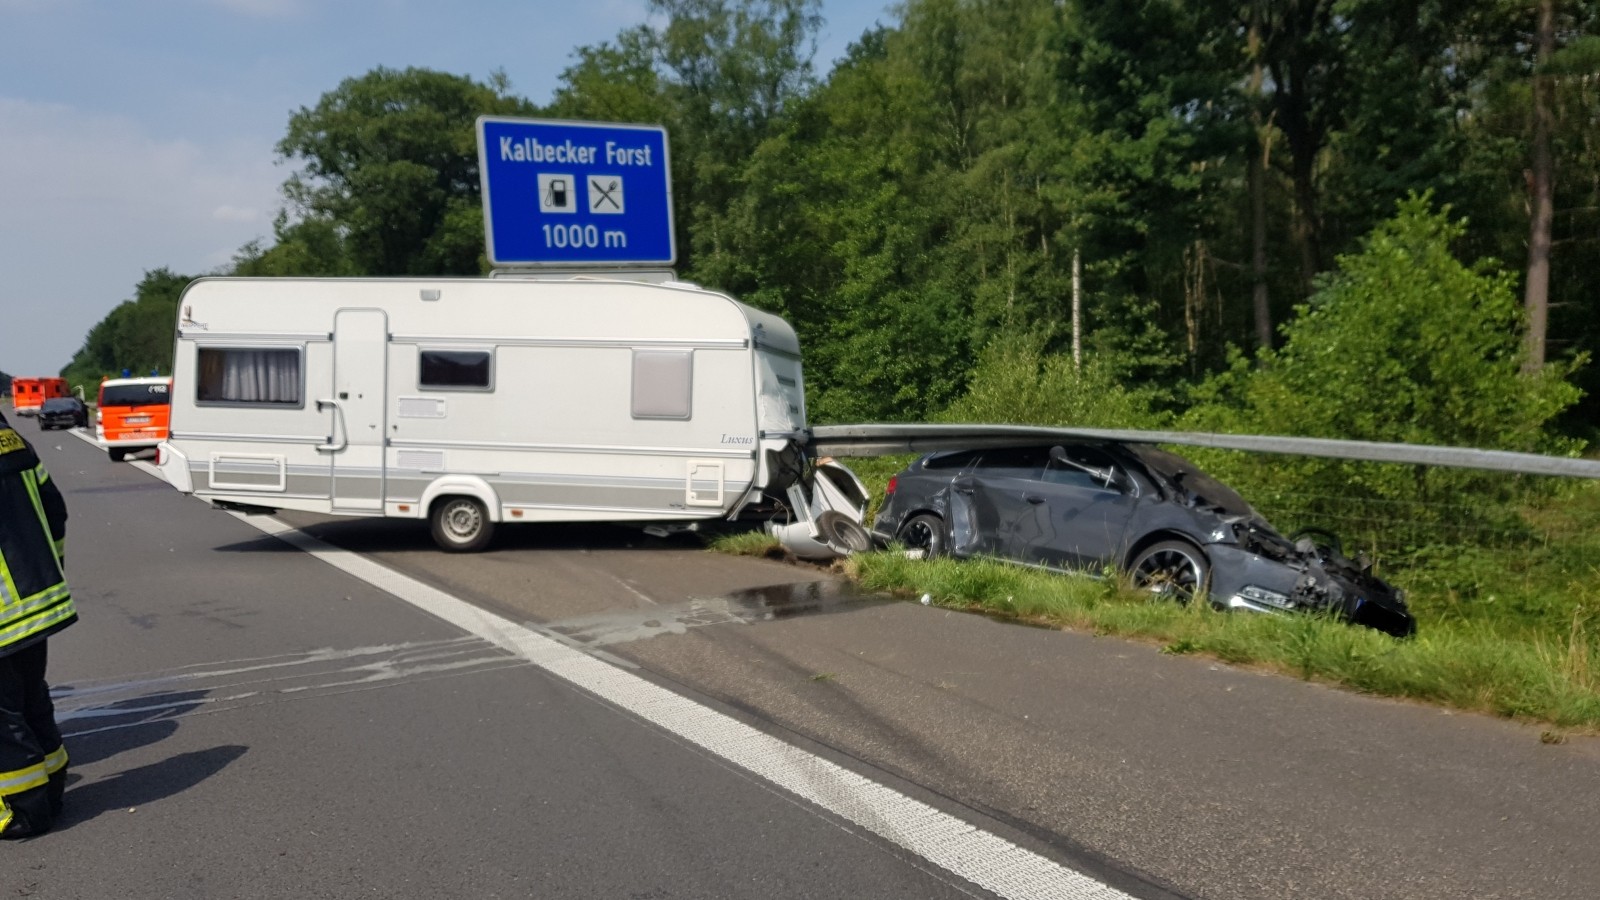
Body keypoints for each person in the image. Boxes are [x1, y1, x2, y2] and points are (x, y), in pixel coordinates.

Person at [0, 409, 76, 839]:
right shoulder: (11, 439)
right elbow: (54, 508)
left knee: (4, 719)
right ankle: (51, 790)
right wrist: (49, 568)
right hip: (36, 600)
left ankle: (23, 812)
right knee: (31, 700)